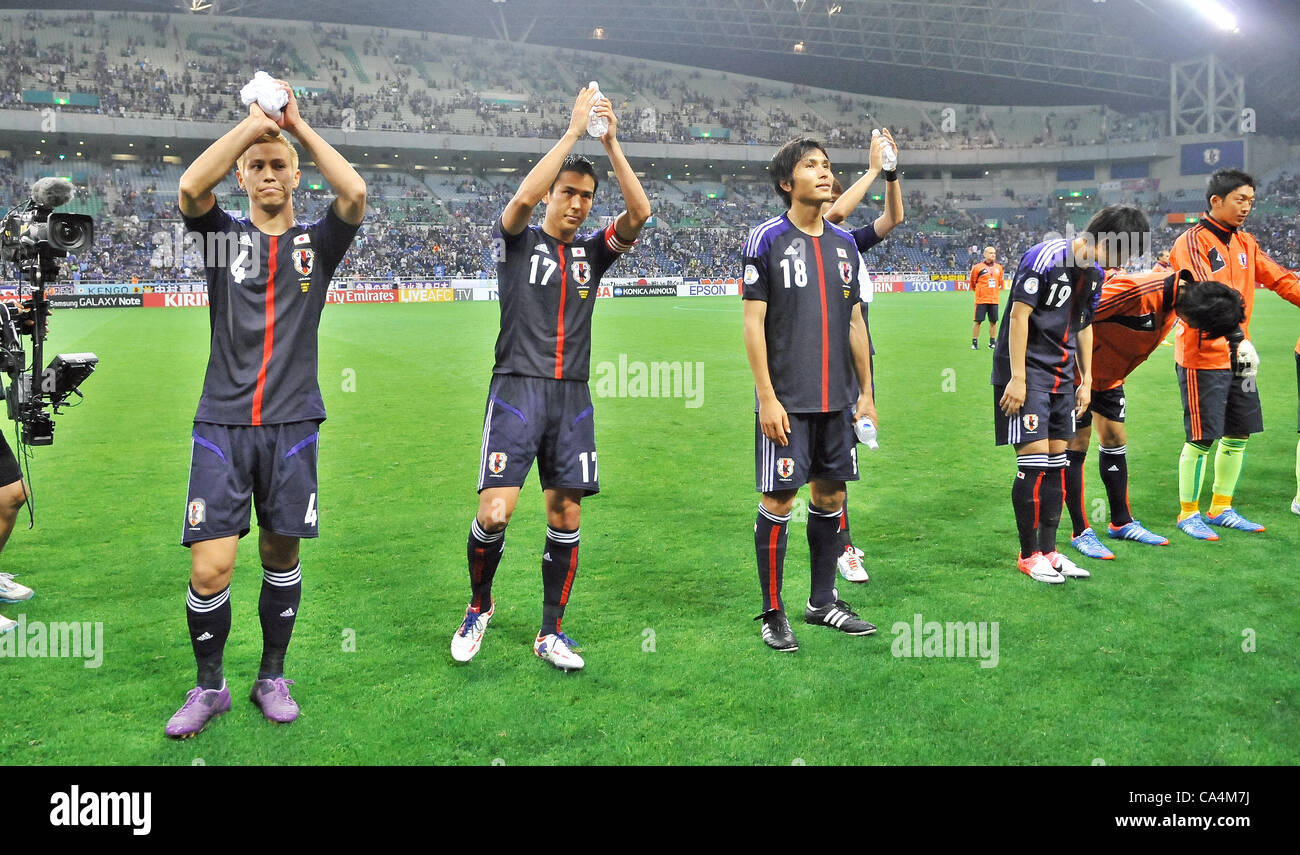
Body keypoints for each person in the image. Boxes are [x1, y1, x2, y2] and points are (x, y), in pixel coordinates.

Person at [166, 80, 366, 738]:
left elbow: (356, 193)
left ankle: (271, 674)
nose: (270, 172)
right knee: (211, 564)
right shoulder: (222, 239)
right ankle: (210, 686)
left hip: (292, 427)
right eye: (259, 165)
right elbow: (192, 188)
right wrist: (251, 127)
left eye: (280, 165)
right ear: (245, 176)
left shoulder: (317, 244)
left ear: (294, 175)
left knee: (281, 554)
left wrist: (297, 129)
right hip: (222, 424)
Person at [450, 88, 650, 672]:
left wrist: (609, 142)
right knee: (495, 514)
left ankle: (550, 631)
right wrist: (570, 134)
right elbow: (520, 198)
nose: (578, 205)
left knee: (566, 515)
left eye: (586, 197)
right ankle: (479, 606)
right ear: (551, 196)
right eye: (569, 193)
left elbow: (639, 214)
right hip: (515, 389)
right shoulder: (520, 240)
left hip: (572, 398)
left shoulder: (593, 254)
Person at [743, 137, 877, 651]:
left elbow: (855, 324)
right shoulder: (766, 240)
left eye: (826, 165)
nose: (824, 173)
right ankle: (773, 611)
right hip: (788, 400)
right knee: (780, 498)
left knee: (832, 496)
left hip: (838, 399)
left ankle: (823, 601)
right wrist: (767, 398)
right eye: (810, 166)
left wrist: (866, 395)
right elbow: (753, 326)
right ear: (786, 183)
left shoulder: (844, 245)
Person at [992, 205, 1149, 583]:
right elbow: (1018, 315)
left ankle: (1050, 551)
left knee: (1056, 466)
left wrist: (1087, 378)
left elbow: (1084, 326)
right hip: (1027, 374)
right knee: (1032, 464)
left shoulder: (1094, 274)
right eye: (1125, 253)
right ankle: (1029, 555)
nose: (1123, 263)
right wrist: (1017, 378)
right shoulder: (1046, 256)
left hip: (1063, 377)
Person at [1063, 271, 1247, 560]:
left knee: (1113, 440)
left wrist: (1237, 337)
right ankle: (1081, 531)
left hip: (1109, 379)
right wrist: (1078, 377)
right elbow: (1075, 315)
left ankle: (1121, 522)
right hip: (1075, 374)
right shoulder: (1137, 290)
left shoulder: (1184, 297)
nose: (1193, 327)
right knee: (1076, 445)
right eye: (1198, 323)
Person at [1169, 168, 1300, 539]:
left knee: (1238, 433)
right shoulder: (1191, 242)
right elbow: (1203, 296)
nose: (1247, 207)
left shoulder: (1246, 243)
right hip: (1204, 355)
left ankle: (1221, 506)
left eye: (1251, 202)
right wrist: (1237, 337)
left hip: (1239, 358)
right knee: (1202, 436)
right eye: (1240, 200)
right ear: (1216, 201)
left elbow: (1280, 278)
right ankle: (1188, 512)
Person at [820, 128, 903, 585]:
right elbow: (832, 214)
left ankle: (838, 536)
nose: (830, 190)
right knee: (836, 454)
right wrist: (872, 168)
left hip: (856, 356)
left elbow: (893, 219)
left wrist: (891, 174)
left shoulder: (848, 243)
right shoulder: (821, 234)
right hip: (826, 359)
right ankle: (842, 546)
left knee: (845, 450)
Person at [970, 246, 1004, 350]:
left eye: (994, 253)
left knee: (993, 322)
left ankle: (992, 342)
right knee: (978, 321)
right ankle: (974, 343)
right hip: (981, 300)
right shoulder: (977, 268)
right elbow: (972, 283)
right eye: (990, 253)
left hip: (994, 299)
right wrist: (981, 292)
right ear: (985, 254)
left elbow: (1000, 282)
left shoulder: (999, 268)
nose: (993, 255)